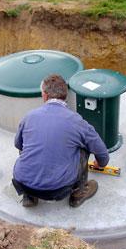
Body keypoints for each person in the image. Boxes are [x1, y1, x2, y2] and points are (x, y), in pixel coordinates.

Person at [12, 74, 109, 208]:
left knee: (24, 143)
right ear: (65, 96)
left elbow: (18, 144)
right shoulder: (78, 122)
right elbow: (102, 153)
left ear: (45, 95)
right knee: (84, 145)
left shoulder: (29, 116)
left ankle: (29, 196)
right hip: (58, 190)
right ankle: (78, 193)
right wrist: (101, 163)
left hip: (21, 183)